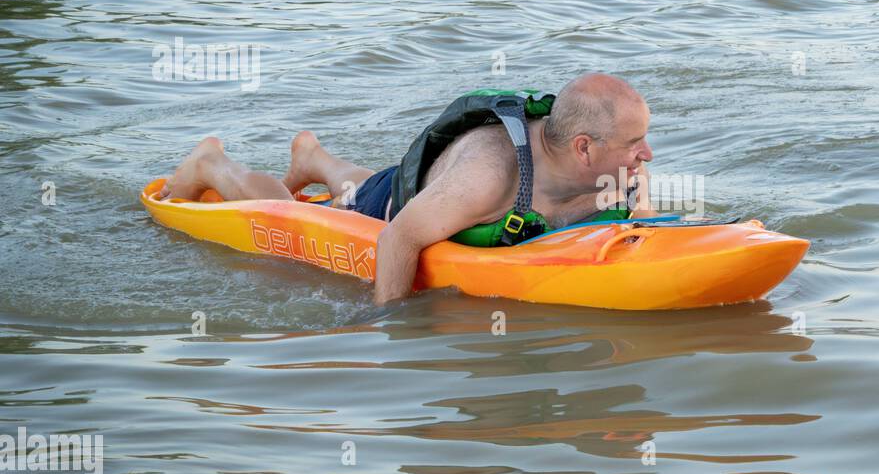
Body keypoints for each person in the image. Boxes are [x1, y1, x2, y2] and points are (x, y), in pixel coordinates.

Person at [161, 72, 656, 304]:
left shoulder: (622, 171)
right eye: (634, 142)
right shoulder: (489, 178)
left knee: (361, 187)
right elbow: (397, 237)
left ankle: (313, 157)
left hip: (427, 191)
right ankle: (216, 165)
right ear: (584, 148)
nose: (647, 154)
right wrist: (388, 326)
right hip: (392, 211)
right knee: (294, 207)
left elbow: (642, 230)